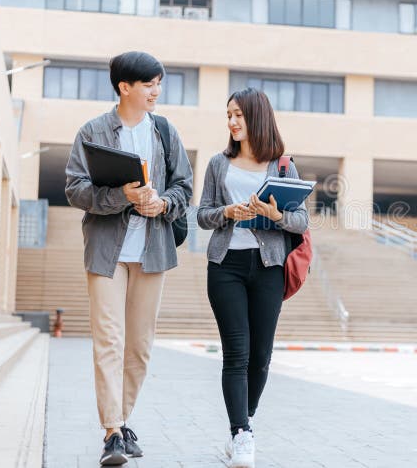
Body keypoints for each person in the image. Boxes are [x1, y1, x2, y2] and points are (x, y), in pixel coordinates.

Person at [65, 51, 193, 466]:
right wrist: (123, 196)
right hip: (107, 252)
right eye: (149, 84)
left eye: (159, 83)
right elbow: (75, 189)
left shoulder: (164, 131)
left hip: (152, 251)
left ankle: (123, 421)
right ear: (125, 87)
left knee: (138, 346)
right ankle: (113, 432)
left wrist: (163, 204)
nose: (156, 91)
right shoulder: (94, 131)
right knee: (109, 341)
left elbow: (184, 187)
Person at [197, 87, 309, 468]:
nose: (231, 122)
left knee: (261, 357)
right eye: (228, 114)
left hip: (269, 269)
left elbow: (302, 221)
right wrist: (228, 212)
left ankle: (245, 421)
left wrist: (276, 216)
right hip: (225, 265)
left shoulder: (281, 165)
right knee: (237, 353)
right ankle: (240, 433)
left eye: (238, 115)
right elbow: (202, 215)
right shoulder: (218, 163)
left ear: (256, 117)